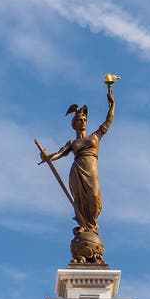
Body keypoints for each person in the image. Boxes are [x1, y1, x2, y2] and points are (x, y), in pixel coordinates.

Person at [40, 89, 115, 235]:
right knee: (80, 198)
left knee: (94, 196)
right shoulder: (72, 143)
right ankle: (83, 224)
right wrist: (47, 157)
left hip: (91, 168)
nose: (83, 121)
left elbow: (108, 121)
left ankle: (91, 224)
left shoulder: (95, 136)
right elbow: (59, 154)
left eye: (85, 119)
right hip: (77, 170)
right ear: (74, 124)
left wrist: (112, 104)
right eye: (80, 120)